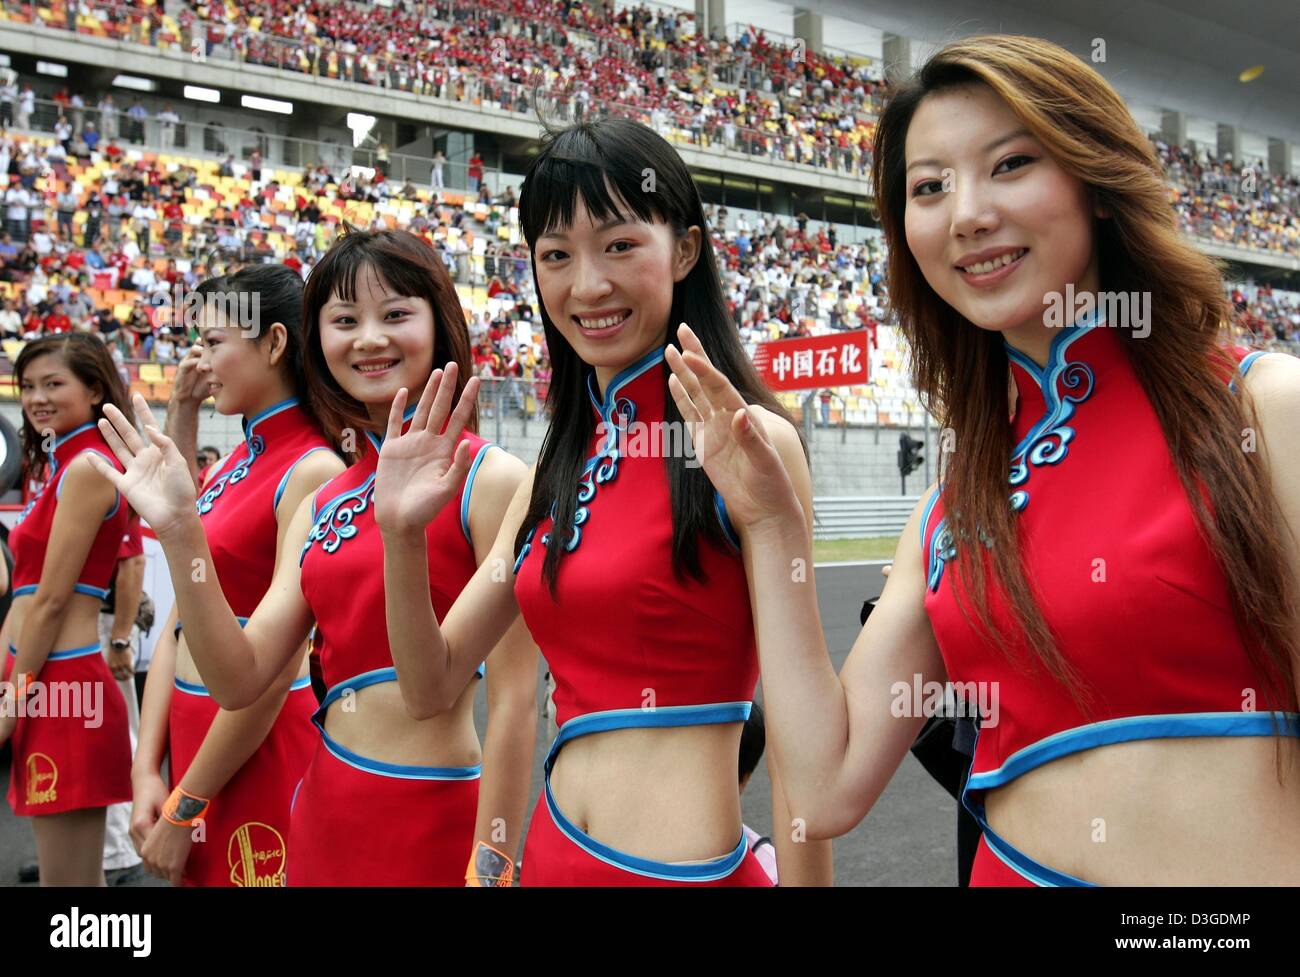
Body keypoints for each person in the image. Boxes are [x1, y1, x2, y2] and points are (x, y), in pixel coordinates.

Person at [664, 34, 1300, 886]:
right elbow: (823, 788)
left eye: (1009, 164)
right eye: (929, 188)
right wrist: (773, 526)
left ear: (1096, 182)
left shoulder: (1263, 409)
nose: (964, 214)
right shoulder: (950, 514)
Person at [372, 118, 833, 886]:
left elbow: (795, 731)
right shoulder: (550, 471)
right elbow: (431, 686)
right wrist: (402, 536)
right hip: (553, 853)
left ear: (684, 249)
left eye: (619, 245)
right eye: (555, 256)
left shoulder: (754, 445)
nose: (586, 285)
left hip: (683, 872)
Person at [93, 230, 539, 886]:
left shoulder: (493, 479)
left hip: (431, 815)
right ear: (316, 341)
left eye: (395, 314)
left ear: (439, 322)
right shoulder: (329, 495)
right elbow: (240, 678)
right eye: (343, 320)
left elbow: (516, 700)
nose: (367, 338)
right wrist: (183, 529)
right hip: (321, 804)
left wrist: (492, 868)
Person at [125, 266, 343, 887]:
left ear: (274, 344)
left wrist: (185, 802)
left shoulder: (311, 467)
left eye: (215, 342)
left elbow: (274, 674)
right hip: (195, 742)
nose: (201, 360)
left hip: (256, 748)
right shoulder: (243, 458)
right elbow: (180, 619)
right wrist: (148, 768)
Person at [0, 333, 135, 885]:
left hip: (61, 692)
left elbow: (51, 602)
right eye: (27, 386)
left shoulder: (86, 467)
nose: (36, 398)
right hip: (50, 686)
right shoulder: (71, 463)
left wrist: (9, 707)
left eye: (54, 384)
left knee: (69, 891)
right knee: (80, 887)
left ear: (95, 387)